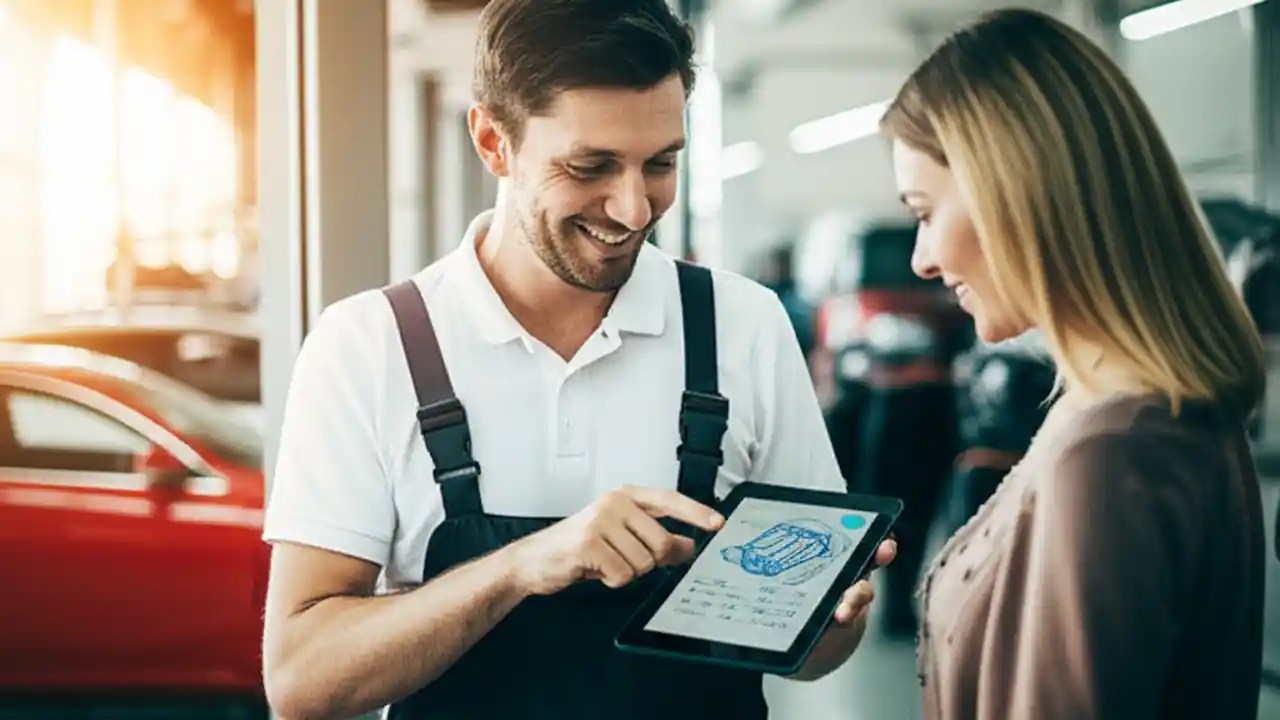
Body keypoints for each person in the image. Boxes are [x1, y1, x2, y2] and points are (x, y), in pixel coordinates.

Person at [260, 2, 893, 719]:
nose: (631, 208)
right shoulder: (368, 347)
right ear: (493, 142)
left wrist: (827, 622)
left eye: (660, 163)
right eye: (590, 166)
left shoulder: (743, 327)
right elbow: (301, 681)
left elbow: (819, 657)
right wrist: (521, 567)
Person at [880, 9, 1268, 719]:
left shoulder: (1110, 453)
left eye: (926, 210)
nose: (922, 258)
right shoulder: (1133, 413)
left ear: (1015, 190)